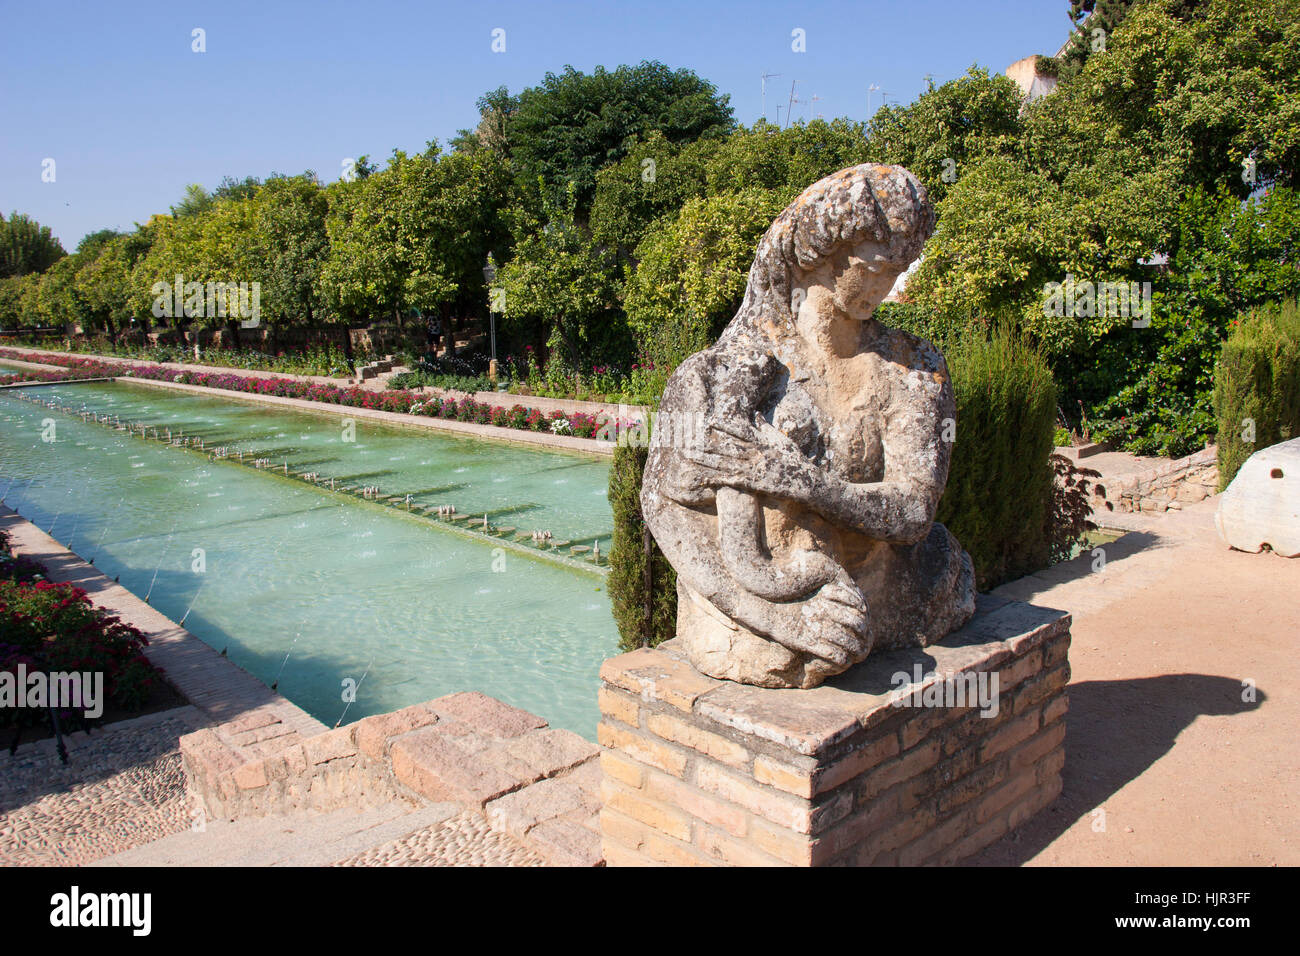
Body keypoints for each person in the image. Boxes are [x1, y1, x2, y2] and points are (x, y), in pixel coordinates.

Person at [641, 164, 976, 688]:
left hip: (887, 588)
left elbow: (913, 513)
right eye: (876, 266)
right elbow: (664, 504)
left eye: (899, 268)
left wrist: (793, 479)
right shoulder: (721, 372)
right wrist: (778, 620)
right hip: (768, 598)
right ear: (823, 252)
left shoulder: (913, 367)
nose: (887, 285)